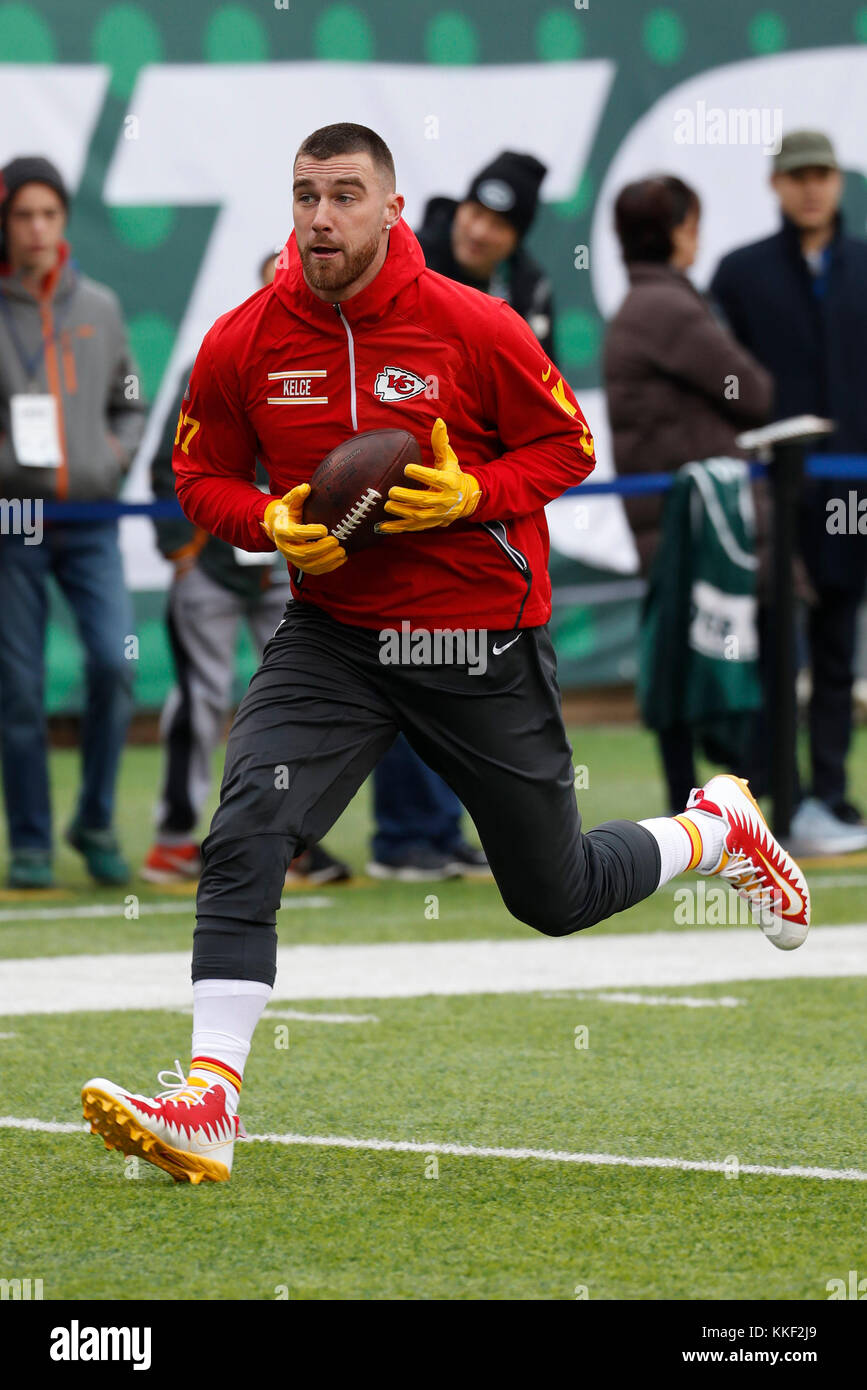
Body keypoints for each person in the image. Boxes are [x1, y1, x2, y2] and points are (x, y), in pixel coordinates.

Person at [82, 124, 811, 1185]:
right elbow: (198, 481)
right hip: (333, 638)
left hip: (478, 638)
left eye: (343, 194)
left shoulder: (474, 325)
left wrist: (476, 493)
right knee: (246, 826)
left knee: (552, 895)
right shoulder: (245, 338)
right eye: (304, 195)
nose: (321, 215)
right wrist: (266, 518)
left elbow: (569, 445)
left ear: (394, 209)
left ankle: (715, 829)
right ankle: (209, 1100)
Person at [369, 150, 551, 882]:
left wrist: (488, 485)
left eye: (501, 223)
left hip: (480, 508)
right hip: (406, 503)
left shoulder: (527, 287)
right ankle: (403, 836)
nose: (480, 230)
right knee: (402, 666)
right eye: (477, 211)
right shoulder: (412, 266)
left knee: (464, 676)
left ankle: (441, 831)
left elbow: (545, 408)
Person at [143, 249, 349, 886]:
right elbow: (170, 469)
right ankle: (175, 839)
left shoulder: (340, 367)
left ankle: (289, 841)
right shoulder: (220, 357)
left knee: (297, 707)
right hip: (213, 562)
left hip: (289, 569)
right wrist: (182, 553)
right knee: (201, 699)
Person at [711, 131, 867, 854]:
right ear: (775, 184)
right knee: (773, 652)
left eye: (822, 175)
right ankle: (773, 792)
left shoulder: (864, 265)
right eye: (796, 176)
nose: (810, 189)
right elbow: (720, 386)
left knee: (837, 648)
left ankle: (828, 797)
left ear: (837, 181)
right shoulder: (741, 274)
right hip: (772, 500)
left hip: (851, 496)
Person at [603, 175, 774, 811]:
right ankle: (745, 805)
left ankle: (696, 808)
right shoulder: (667, 307)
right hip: (698, 529)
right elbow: (752, 390)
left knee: (678, 665)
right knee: (721, 664)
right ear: (678, 230)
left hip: (673, 523)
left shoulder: (644, 304)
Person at [0, 156, 145, 888]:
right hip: (13, 519)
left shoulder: (103, 306)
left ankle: (92, 820)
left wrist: (113, 453)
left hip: (92, 517)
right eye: (22, 215)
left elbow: (131, 397)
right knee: (19, 686)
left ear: (63, 221)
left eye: (48, 215)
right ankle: (29, 841)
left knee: (114, 664)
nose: (36, 229)